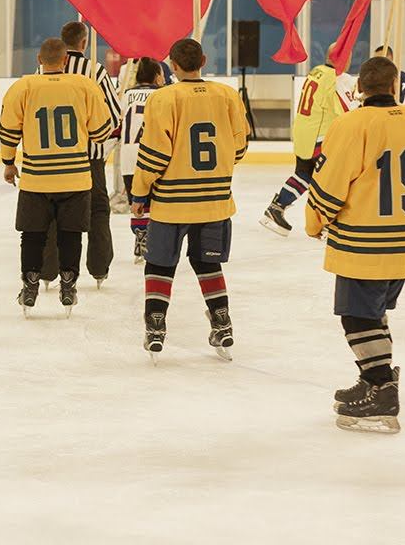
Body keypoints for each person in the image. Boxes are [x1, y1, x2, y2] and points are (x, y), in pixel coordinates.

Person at [305, 56, 405, 434]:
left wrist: (315, 220)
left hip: (362, 240)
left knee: (356, 315)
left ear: (360, 90)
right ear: (393, 86)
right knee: (373, 313)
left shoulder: (351, 123)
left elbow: (331, 184)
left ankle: (382, 387)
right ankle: (372, 380)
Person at [132, 39, 249, 362]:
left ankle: (155, 324)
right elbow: (239, 148)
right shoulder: (227, 95)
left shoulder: (164, 98)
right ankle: (222, 321)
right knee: (207, 261)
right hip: (215, 200)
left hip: (172, 201)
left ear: (172, 65)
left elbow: (154, 153)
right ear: (204, 60)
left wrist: (140, 192)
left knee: (159, 263)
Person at [0, 38, 113, 316]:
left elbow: (7, 131)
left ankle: (30, 284)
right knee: (71, 234)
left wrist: (8, 163)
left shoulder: (22, 87)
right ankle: (68, 284)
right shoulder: (84, 86)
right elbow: (102, 131)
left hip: (37, 178)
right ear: (64, 61)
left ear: (39, 60)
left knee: (33, 235)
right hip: (76, 177)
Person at [37, 21, 123, 288]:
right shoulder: (93, 70)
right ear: (84, 43)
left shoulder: (42, 72)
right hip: (90, 158)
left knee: (51, 212)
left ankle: (48, 271)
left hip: (51, 158)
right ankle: (99, 268)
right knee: (97, 210)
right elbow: (115, 113)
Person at [261, 44, 358, 237]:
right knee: (336, 177)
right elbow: (349, 111)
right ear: (343, 58)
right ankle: (329, 220)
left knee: (304, 173)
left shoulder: (317, 72)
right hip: (320, 137)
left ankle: (277, 207)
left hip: (304, 132)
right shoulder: (336, 79)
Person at [119, 57, 166, 262]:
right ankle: (152, 240)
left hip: (128, 157)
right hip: (151, 155)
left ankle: (140, 237)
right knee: (154, 203)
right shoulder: (161, 95)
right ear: (157, 76)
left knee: (136, 202)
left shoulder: (127, 94)